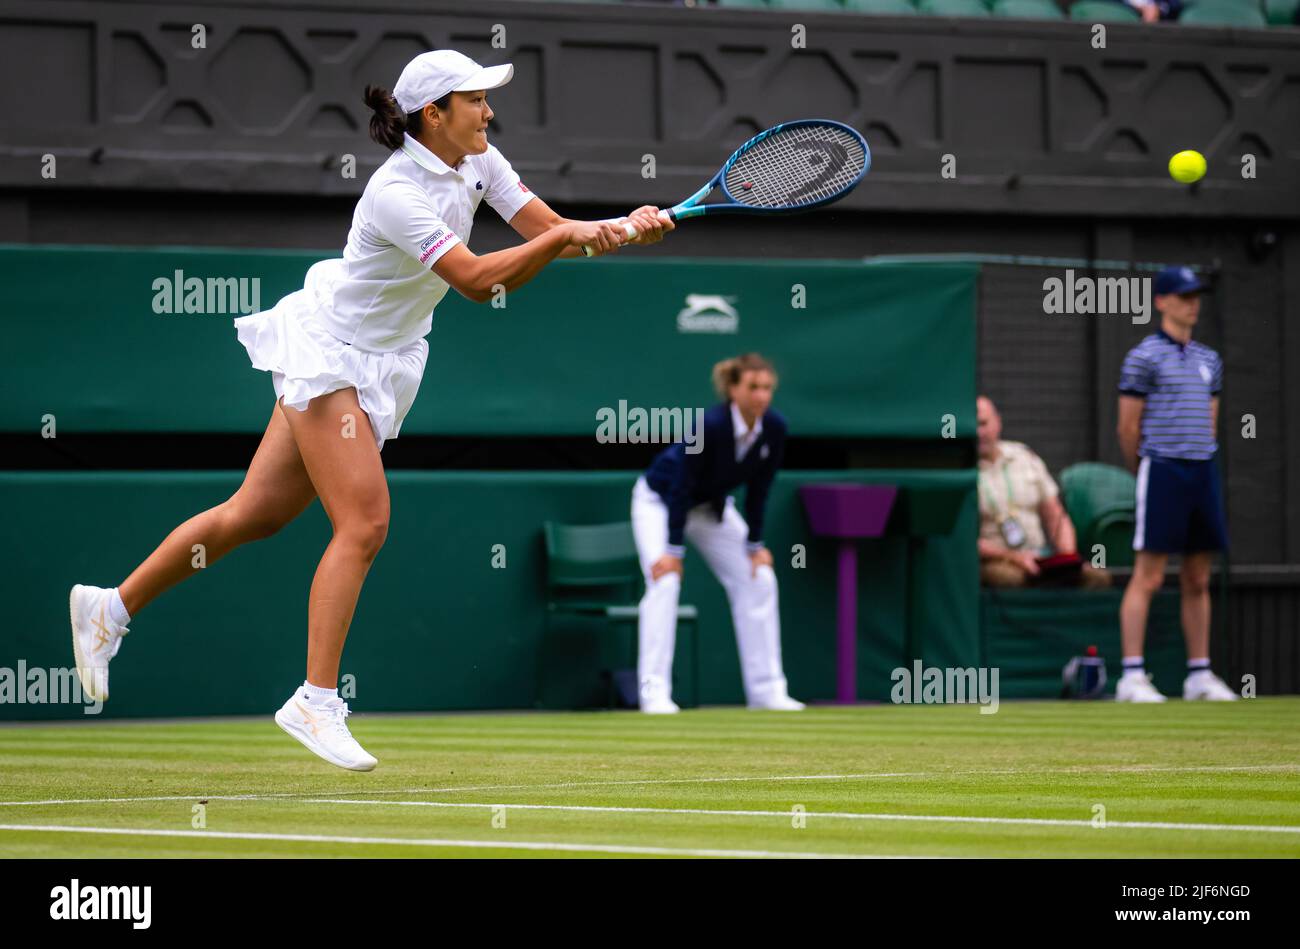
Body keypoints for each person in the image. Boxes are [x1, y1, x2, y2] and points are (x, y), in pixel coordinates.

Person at [67, 49, 674, 770]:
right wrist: (566, 235)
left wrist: (622, 227)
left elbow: (545, 226)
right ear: (433, 115)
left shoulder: (480, 160)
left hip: (387, 357)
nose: (488, 111)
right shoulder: (394, 193)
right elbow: (479, 281)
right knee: (363, 520)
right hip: (333, 350)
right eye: (474, 100)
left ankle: (110, 607)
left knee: (251, 514)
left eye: (486, 99)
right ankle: (315, 699)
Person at [631, 353, 804, 714]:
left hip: (711, 509)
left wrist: (755, 543)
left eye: (767, 388)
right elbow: (679, 486)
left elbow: (761, 487)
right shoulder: (706, 425)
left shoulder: (775, 428)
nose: (761, 396)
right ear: (732, 389)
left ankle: (767, 691)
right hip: (660, 503)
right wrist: (673, 551)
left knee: (760, 578)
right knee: (665, 583)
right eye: (753, 387)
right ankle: (654, 694)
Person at [1115, 265, 1236, 702]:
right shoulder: (1143, 356)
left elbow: (1212, 424)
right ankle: (1131, 676)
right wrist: (1146, 469)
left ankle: (1199, 675)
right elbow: (1128, 429)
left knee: (1198, 578)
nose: (1193, 304)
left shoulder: (1210, 360)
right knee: (1147, 576)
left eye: (1195, 296)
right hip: (1162, 468)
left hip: (1202, 470)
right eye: (1183, 296)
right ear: (1162, 302)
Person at [976, 396, 1109, 590]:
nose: (979, 432)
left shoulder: (1025, 457)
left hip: (1040, 557)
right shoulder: (959, 470)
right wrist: (1014, 558)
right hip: (997, 561)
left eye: (983, 423)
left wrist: (1067, 559)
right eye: (973, 425)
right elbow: (965, 542)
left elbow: (1056, 516)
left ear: (998, 421)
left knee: (1097, 577)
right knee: (1014, 580)